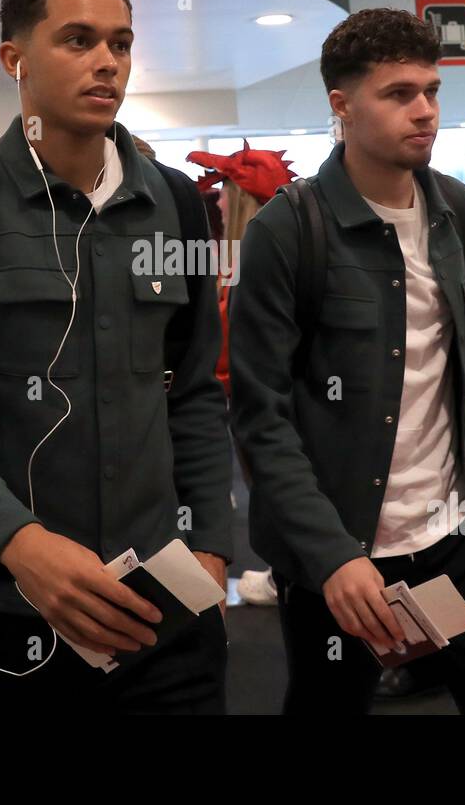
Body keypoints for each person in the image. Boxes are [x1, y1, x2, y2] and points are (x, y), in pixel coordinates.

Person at [0, 0, 233, 714]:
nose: (107, 61)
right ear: (15, 59)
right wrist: (20, 542)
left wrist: (211, 539)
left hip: (164, 610)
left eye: (121, 42)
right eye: (78, 40)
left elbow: (198, 391)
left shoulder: (175, 206)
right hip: (7, 617)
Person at [228, 7, 465, 715]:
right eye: (399, 93)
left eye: (432, 91)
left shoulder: (457, 209)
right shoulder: (289, 230)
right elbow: (263, 417)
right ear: (342, 106)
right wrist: (328, 554)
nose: (425, 111)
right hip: (342, 543)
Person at [186, 141, 297, 607]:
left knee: (277, 491)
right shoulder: (256, 258)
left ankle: (288, 574)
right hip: (271, 404)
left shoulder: (248, 264)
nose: (222, 199)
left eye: (228, 191)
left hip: (262, 406)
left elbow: (228, 352)